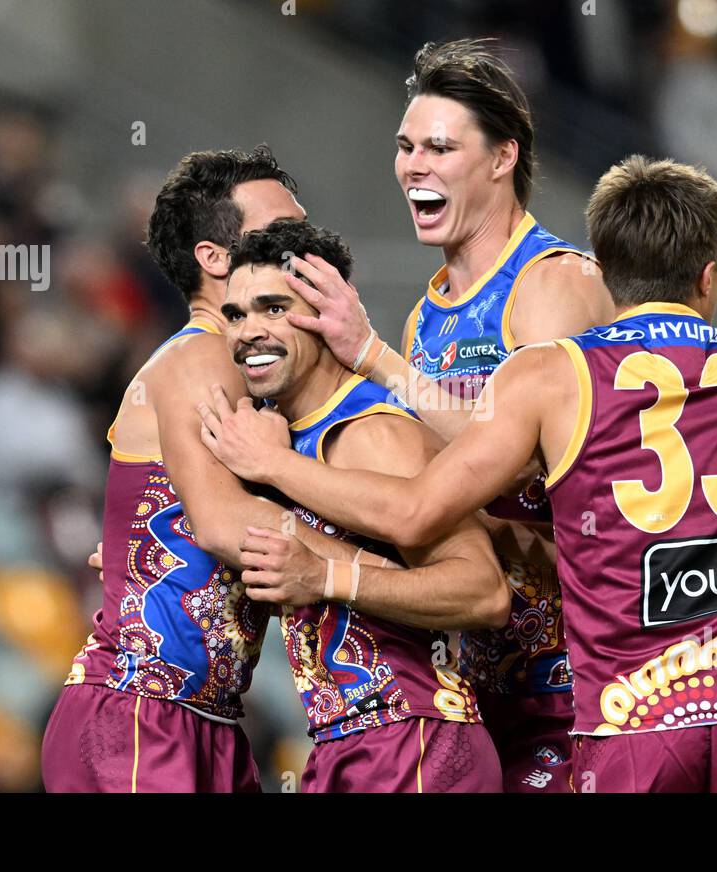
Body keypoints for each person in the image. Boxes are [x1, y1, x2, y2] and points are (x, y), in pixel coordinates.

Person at [200, 157, 717, 793]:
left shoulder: (550, 375)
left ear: (601, 269)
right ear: (710, 274)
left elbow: (417, 512)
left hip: (633, 710)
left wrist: (275, 463)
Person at [44, 148, 501, 792]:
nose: (299, 245)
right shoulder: (206, 359)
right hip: (148, 710)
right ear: (214, 259)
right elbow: (225, 523)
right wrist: (378, 574)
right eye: (276, 229)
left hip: (222, 719)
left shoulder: (328, 416)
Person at [277, 38, 614, 792]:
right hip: (475, 678)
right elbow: (422, 499)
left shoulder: (551, 283)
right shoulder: (427, 316)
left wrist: (374, 358)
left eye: (438, 147)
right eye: (404, 146)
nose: (413, 165)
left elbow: (544, 465)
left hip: (576, 682)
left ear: (501, 159)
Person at [213, 219, 507, 792]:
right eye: (236, 314)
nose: (248, 332)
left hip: (416, 745)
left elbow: (484, 590)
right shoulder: (291, 437)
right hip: (349, 744)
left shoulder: (371, 432)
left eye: (273, 309)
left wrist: (323, 574)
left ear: (323, 315)